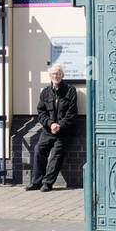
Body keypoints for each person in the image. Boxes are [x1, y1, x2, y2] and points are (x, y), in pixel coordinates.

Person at [28, 64, 77, 192]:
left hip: (63, 131)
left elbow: (71, 113)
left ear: (62, 75)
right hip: (48, 130)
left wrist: (60, 125)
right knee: (39, 150)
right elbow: (41, 112)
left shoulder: (70, 91)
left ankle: (48, 183)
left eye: (58, 73)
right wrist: (50, 124)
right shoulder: (45, 92)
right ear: (50, 76)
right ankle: (36, 182)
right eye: (54, 74)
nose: (56, 76)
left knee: (56, 154)